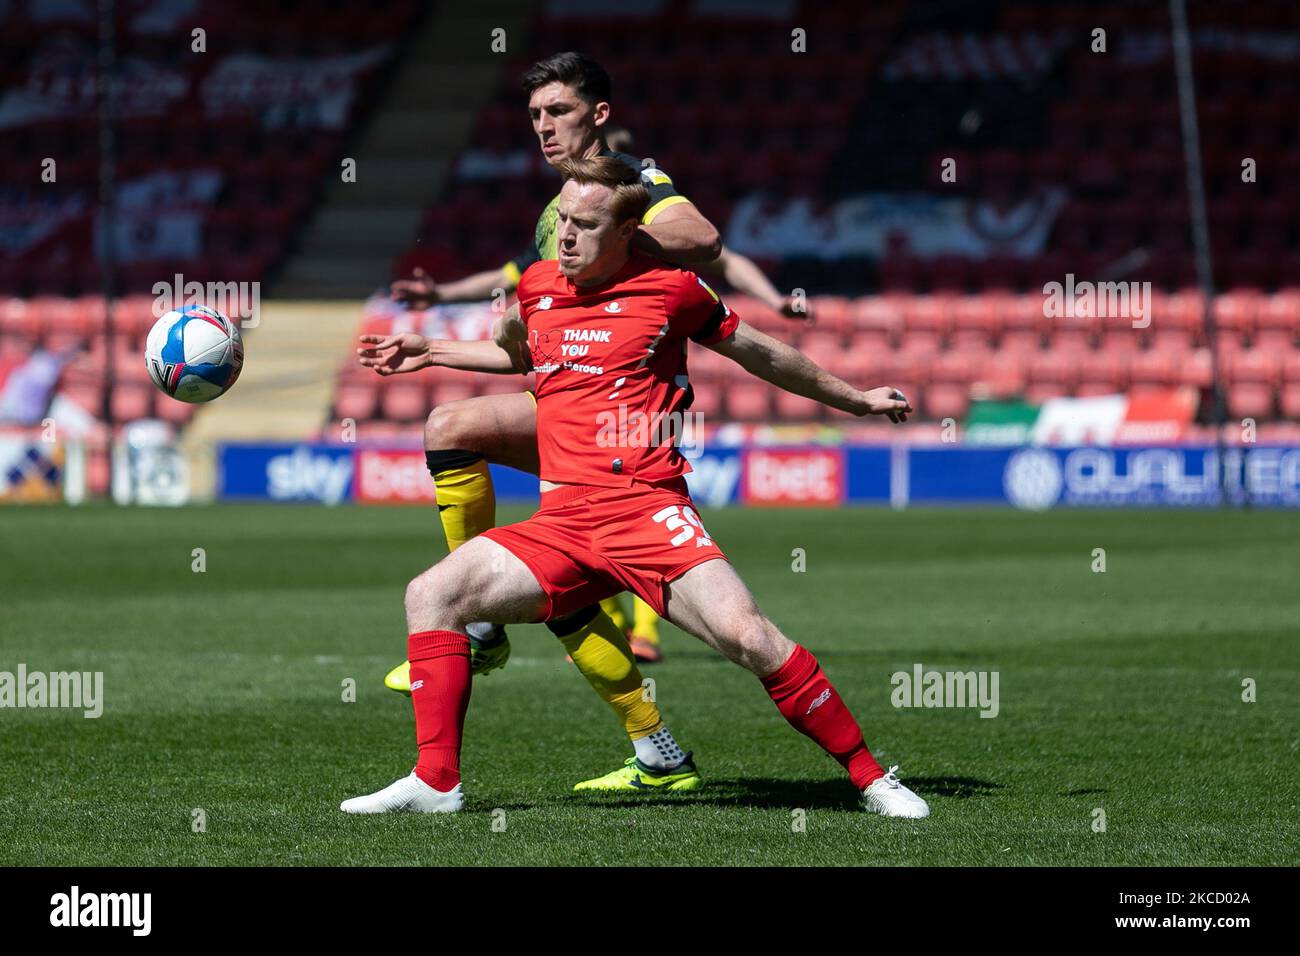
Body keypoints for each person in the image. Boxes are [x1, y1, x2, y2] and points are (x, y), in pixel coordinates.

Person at [343, 156, 928, 818]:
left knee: (751, 639)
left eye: (584, 225)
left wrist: (854, 400)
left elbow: (761, 353)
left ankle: (872, 778)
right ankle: (436, 782)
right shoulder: (537, 287)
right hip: (561, 520)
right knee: (431, 595)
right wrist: (428, 351)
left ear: (625, 232)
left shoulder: (673, 291)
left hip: (647, 514)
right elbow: (518, 351)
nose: (564, 235)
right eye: (561, 219)